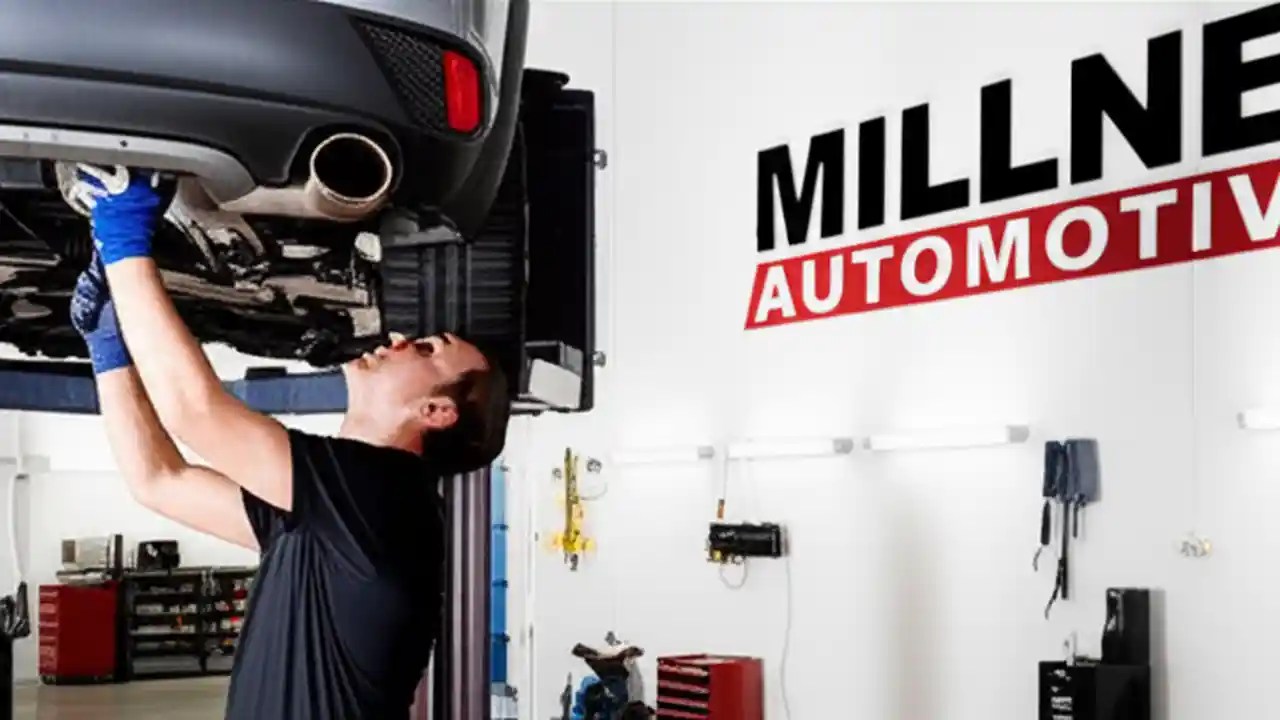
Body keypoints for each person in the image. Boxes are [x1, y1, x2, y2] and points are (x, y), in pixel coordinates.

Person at [66, 165, 511, 719]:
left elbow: (162, 475)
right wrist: (121, 242)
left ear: (436, 412)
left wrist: (109, 341)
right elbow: (173, 458)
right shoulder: (373, 503)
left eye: (422, 350)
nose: (398, 340)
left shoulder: (380, 499)